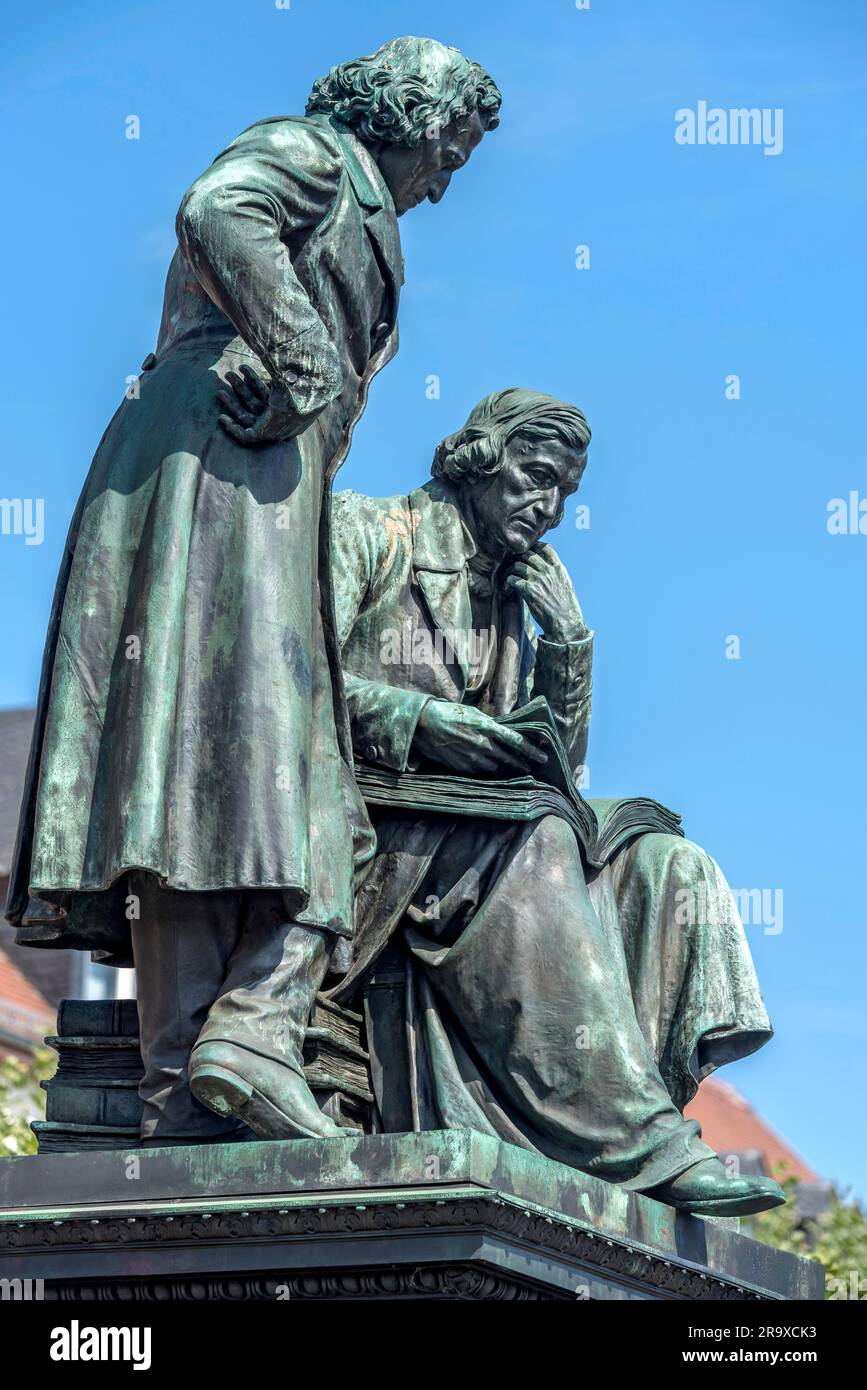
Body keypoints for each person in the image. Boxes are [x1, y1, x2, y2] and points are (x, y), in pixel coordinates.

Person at [6, 38, 501, 1145]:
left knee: (199, 777)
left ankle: (196, 1074)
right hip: (217, 467)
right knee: (241, 771)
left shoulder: (359, 205)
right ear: (409, 115)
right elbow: (218, 206)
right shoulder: (313, 153)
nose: (448, 177)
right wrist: (306, 362)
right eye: (450, 148)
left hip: (250, 481)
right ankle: (224, 1047)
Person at [324, 388, 783, 1215]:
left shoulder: (509, 593)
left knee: (663, 863)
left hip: (481, 837)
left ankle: (622, 1111)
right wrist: (424, 722)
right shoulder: (365, 529)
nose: (551, 508)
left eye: (566, 492)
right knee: (536, 836)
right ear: (477, 462)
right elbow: (286, 676)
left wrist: (566, 646)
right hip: (371, 836)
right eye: (536, 478)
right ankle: (641, 1148)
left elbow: (553, 777)